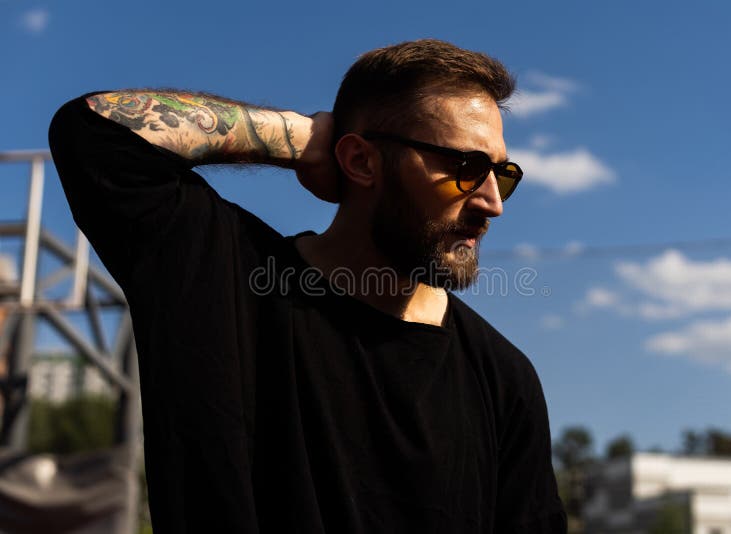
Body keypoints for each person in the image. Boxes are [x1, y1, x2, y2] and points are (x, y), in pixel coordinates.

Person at [49, 39, 566, 533]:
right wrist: (302, 138)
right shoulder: (225, 280)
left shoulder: (504, 381)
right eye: (466, 167)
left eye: (503, 173)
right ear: (361, 160)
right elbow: (95, 132)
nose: (492, 202)